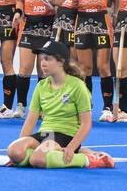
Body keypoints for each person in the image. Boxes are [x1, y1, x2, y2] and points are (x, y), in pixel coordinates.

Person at [6, 38, 114, 169]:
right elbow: (30, 120)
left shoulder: (77, 86)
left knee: (37, 159)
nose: (42, 63)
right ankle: (68, 153)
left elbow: (86, 123)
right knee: (14, 151)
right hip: (45, 134)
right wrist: (19, 153)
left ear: (61, 62)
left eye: (48, 59)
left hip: (66, 135)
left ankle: (88, 159)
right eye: (42, 59)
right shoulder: (41, 86)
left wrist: (71, 147)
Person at [47, 0, 120, 118]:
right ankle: (86, 104)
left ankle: (107, 107)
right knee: (85, 68)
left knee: (103, 67)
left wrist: (116, 13)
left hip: (102, 22)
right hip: (82, 23)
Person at [14, 0, 60, 115]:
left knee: (43, 70)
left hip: (47, 25)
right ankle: (20, 105)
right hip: (28, 25)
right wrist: (18, 13)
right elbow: (20, 1)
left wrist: (55, 5)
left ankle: (43, 107)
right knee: (25, 69)